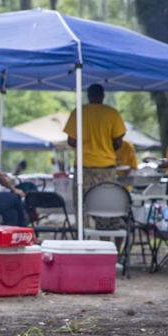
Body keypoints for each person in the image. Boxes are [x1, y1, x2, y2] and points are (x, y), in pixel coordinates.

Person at [62, 83, 126, 228]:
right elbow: (118, 142)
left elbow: (71, 141)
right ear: (103, 96)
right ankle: (105, 243)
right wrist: (106, 146)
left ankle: (83, 239)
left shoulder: (78, 112)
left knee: (81, 206)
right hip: (106, 168)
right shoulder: (112, 113)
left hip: (83, 167)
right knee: (106, 208)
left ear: (88, 95)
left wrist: (85, 145)